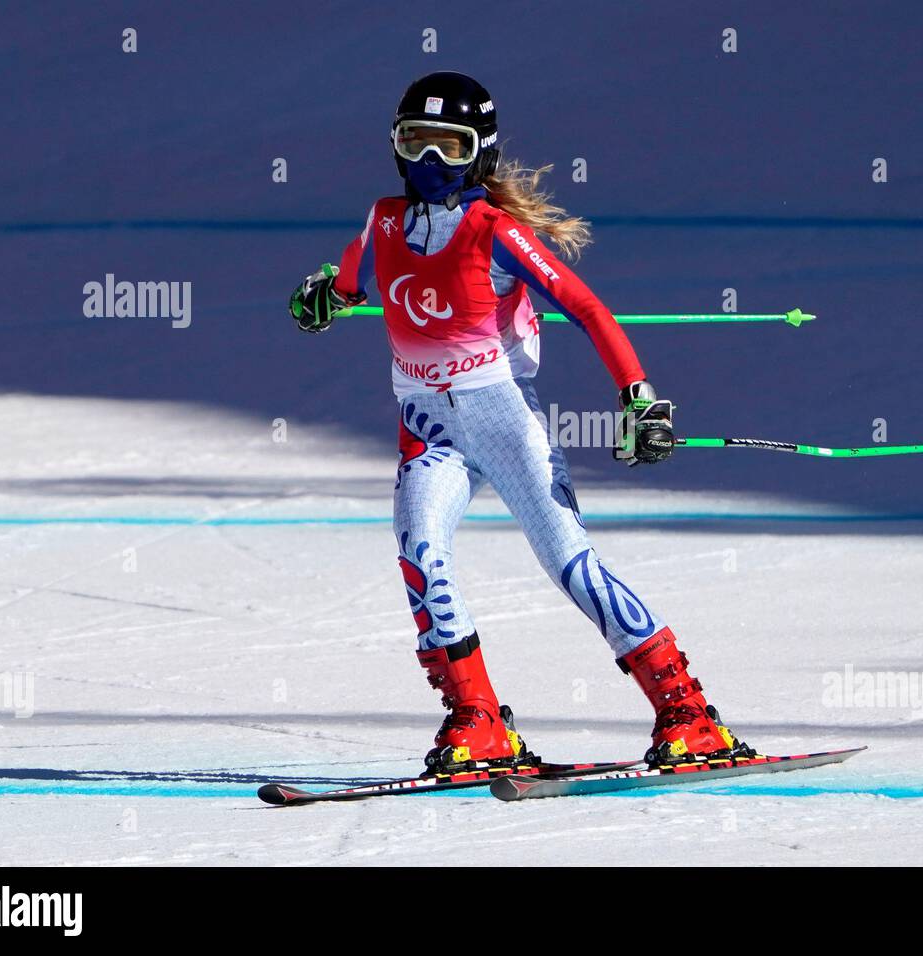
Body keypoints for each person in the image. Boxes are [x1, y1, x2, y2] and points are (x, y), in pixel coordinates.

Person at [288, 71, 749, 771]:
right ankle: (478, 722)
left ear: (482, 154)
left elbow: (588, 308)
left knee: (568, 562)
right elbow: (352, 281)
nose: (430, 163)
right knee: (421, 554)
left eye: (449, 146)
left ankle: (686, 710)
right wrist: (324, 297)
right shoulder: (384, 221)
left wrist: (638, 397)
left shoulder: (492, 231)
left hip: (502, 419)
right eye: (416, 143)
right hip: (427, 426)